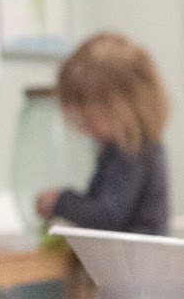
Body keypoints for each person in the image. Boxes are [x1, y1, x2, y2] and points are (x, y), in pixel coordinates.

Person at [35, 32, 170, 236]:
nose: (84, 127)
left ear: (117, 106)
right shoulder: (119, 147)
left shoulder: (133, 149)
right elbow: (100, 205)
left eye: (88, 118)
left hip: (139, 262)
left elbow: (107, 218)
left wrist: (61, 201)